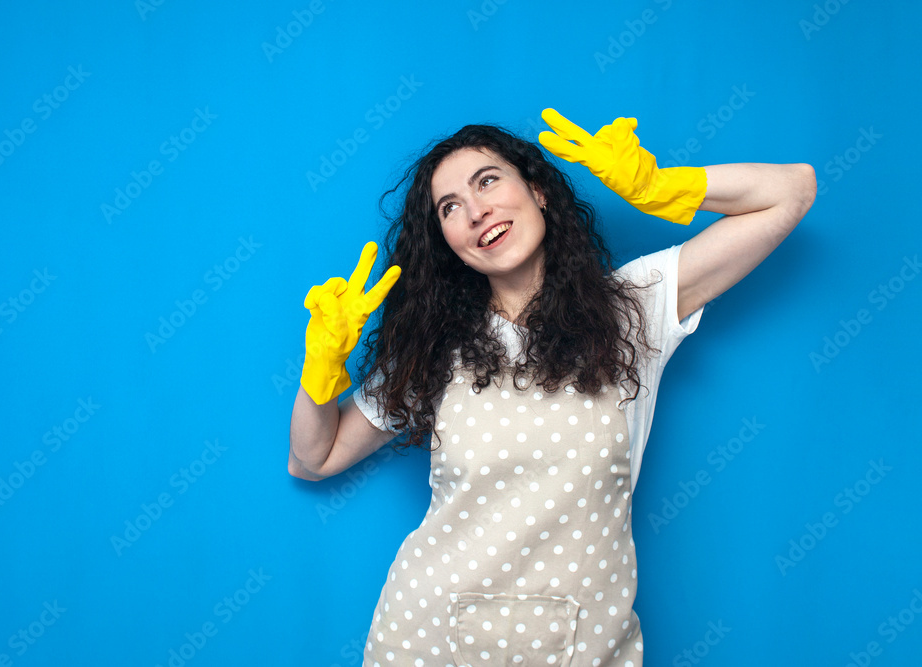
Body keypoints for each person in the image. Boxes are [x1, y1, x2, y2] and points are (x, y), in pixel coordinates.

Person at [289, 108, 816, 666]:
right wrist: (319, 374)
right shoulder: (431, 349)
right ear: (446, 241)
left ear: (538, 190)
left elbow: (793, 191)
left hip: (586, 647)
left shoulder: (634, 310)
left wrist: (665, 185)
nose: (476, 211)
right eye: (450, 208)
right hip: (428, 639)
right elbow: (313, 458)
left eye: (487, 181)